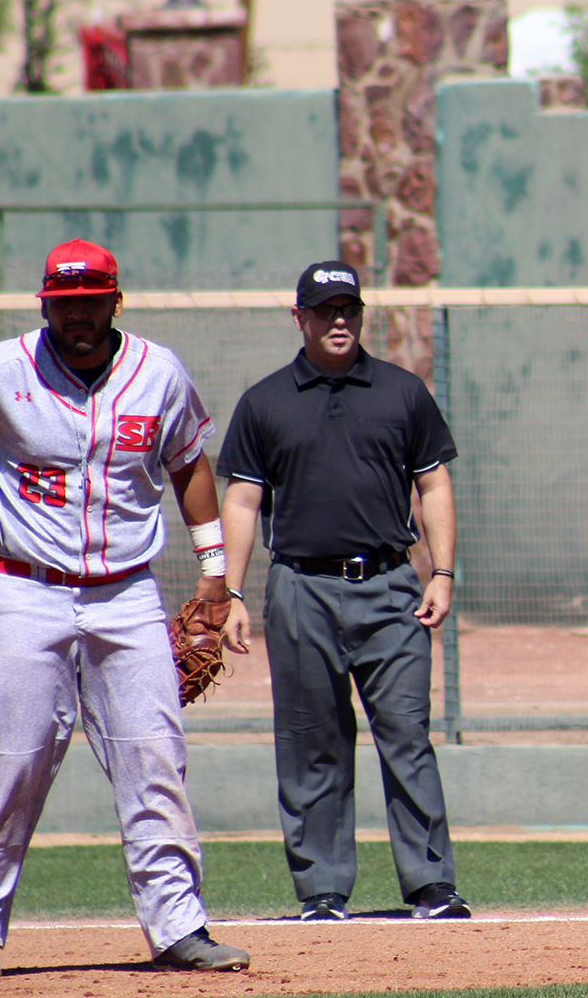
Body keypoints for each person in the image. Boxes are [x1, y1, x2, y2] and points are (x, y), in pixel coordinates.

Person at [0, 238, 251, 980]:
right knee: (11, 762)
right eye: (64, 303)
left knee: (154, 759)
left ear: (115, 302)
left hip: (126, 593)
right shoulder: (1, 370)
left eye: (90, 301)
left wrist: (214, 575)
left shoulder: (158, 372)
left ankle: (179, 928)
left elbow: (189, 463)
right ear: (45, 306)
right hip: (26, 591)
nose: (77, 315)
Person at [216, 261, 469, 923]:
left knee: (406, 734)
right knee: (312, 741)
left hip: (390, 586)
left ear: (361, 315)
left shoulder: (402, 392)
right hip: (301, 588)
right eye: (325, 310)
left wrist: (442, 572)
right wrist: (230, 593)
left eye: (348, 309)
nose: (338, 321)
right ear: (299, 318)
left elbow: (434, 485)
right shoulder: (265, 401)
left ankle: (431, 885)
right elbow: (241, 500)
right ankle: (322, 890)